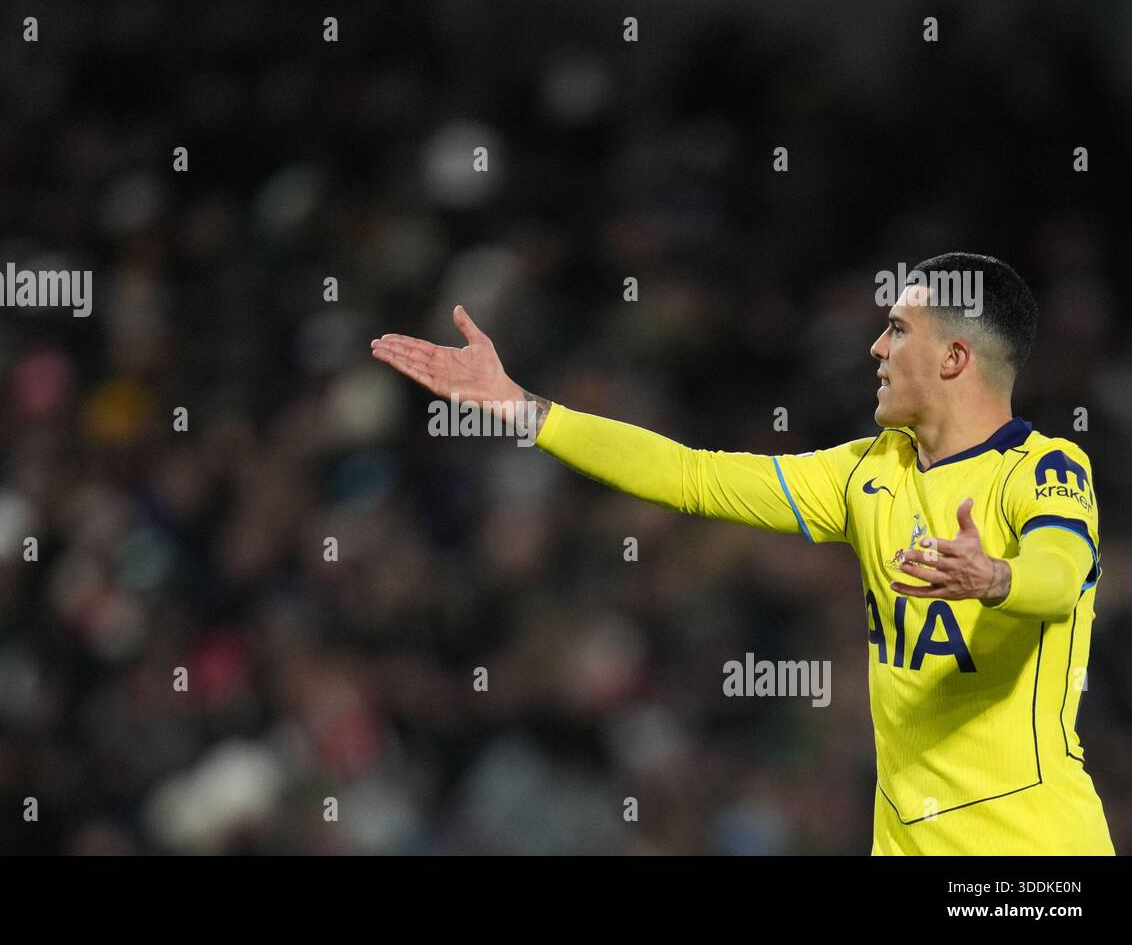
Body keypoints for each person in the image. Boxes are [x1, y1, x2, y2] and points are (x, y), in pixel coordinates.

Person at [370, 252, 1113, 855]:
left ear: (955, 358)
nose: (875, 347)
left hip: (1030, 857)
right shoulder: (865, 473)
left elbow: (1060, 573)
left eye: (897, 330)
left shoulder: (1042, 468)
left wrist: (995, 576)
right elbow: (691, 476)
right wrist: (523, 410)